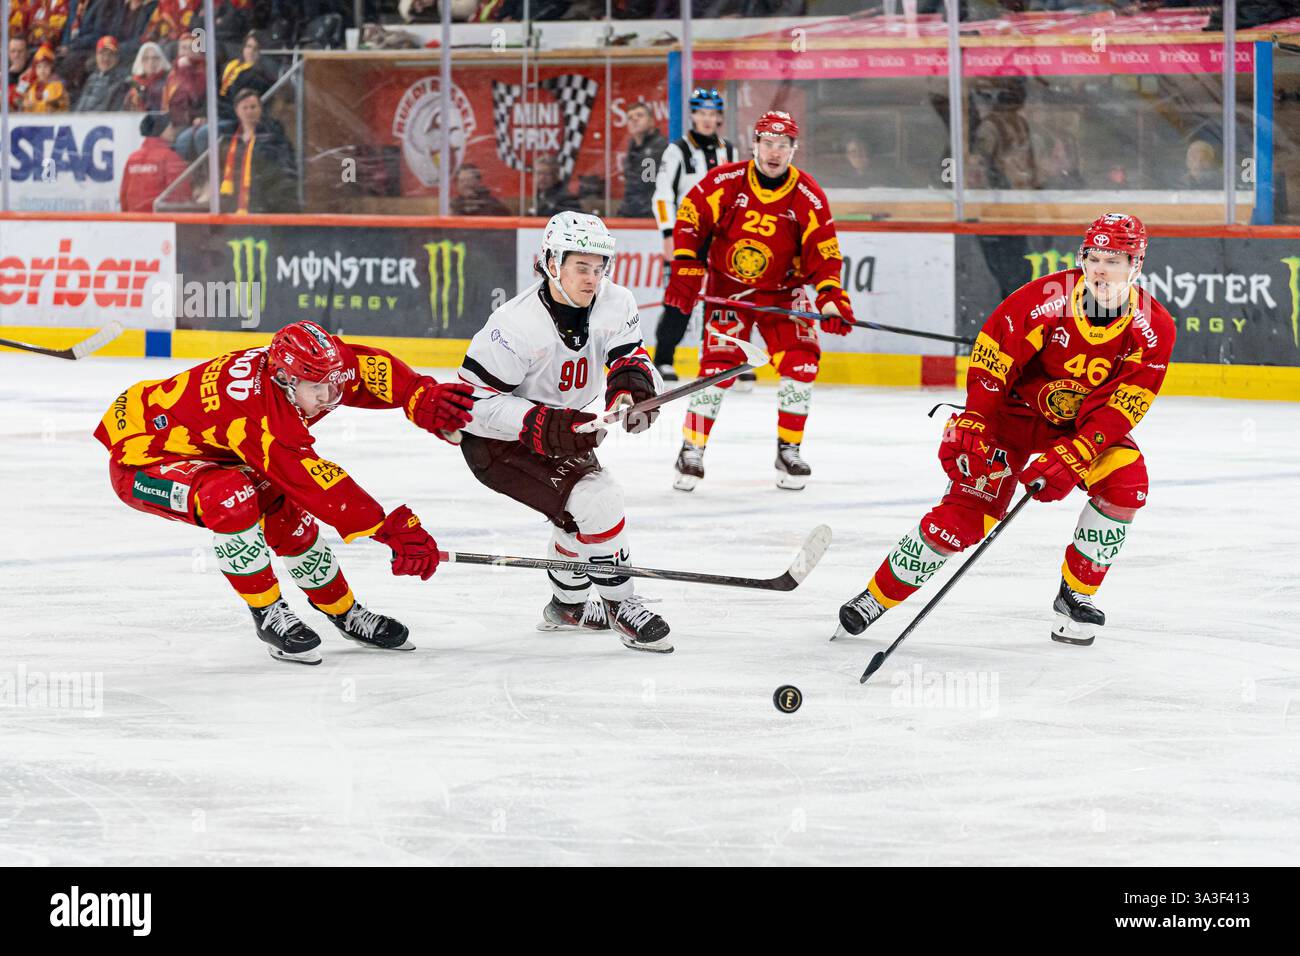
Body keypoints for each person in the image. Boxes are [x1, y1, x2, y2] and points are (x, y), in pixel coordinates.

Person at [835, 214, 1177, 647]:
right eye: (1093, 257)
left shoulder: (1154, 327)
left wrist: (1075, 454)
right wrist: (974, 419)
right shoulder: (1044, 300)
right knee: (961, 520)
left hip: (1076, 429)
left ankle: (1075, 598)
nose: (1100, 270)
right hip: (1009, 421)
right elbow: (993, 361)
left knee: (1127, 485)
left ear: (1137, 263)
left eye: (1114, 260)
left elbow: (1124, 405)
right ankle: (875, 597)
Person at [93, 320, 476, 664]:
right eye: (317, 390)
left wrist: (416, 394)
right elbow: (318, 485)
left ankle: (344, 611)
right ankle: (268, 612)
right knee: (231, 496)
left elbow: (365, 368)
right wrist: (387, 528)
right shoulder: (261, 416)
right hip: (144, 462)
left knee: (283, 508)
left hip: (216, 450)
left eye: (333, 385)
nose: (328, 398)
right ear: (284, 381)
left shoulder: (314, 368)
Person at [456, 212, 673, 653]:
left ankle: (568, 607)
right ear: (551, 263)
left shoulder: (617, 301)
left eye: (599, 268)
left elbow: (630, 357)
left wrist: (631, 394)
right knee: (598, 498)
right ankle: (620, 605)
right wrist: (543, 422)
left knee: (577, 518)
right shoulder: (513, 327)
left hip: (563, 429)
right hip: (497, 444)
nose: (593, 279)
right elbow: (471, 407)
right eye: (581, 267)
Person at [664, 109, 854, 492]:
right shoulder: (726, 181)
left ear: (793, 149)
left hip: (784, 293)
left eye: (783, 145)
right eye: (767, 142)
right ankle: (691, 449)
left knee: (801, 364)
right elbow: (689, 218)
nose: (774, 151)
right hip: (729, 292)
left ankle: (789, 449)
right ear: (754, 144)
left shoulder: (808, 196)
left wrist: (832, 299)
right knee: (718, 369)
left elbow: (825, 254)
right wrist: (686, 267)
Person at [650, 87, 738, 381]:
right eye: (702, 113)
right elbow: (663, 195)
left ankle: (716, 357)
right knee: (681, 295)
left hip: (723, 238)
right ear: (693, 115)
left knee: (723, 298)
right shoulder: (678, 150)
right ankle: (664, 358)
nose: (707, 119)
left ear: (719, 117)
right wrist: (667, 233)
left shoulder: (730, 150)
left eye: (712, 114)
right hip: (688, 235)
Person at [218, 87, 299, 213]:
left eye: (253, 107)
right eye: (245, 108)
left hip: (267, 198)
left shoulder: (272, 134)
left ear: (260, 109)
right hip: (236, 200)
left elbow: (283, 165)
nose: (249, 111)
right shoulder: (230, 136)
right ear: (237, 111)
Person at [119, 112, 189, 211]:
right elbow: (180, 195)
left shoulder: (133, 158)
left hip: (135, 219)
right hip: (161, 220)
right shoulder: (169, 157)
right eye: (170, 127)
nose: (173, 131)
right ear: (161, 131)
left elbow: (124, 195)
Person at [615, 101, 667, 219]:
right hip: (630, 213)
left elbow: (648, 186)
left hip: (651, 216)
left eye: (640, 115)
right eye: (630, 117)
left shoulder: (662, 146)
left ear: (651, 121)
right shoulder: (632, 146)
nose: (634, 119)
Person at [75, 35, 131, 112]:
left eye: (110, 54)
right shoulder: (91, 78)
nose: (106, 58)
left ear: (117, 58)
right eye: (102, 54)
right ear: (96, 56)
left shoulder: (122, 82)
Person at [528, 153, 582, 218]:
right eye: (538, 173)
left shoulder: (566, 199)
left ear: (556, 175)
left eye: (546, 174)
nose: (541, 178)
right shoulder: (537, 195)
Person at [21, 44, 70, 113]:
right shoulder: (30, 84)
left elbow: (64, 105)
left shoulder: (58, 85)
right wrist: (25, 104)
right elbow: (19, 99)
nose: (42, 70)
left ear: (51, 67)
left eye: (46, 66)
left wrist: (52, 105)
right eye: (39, 67)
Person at [123, 41, 170, 112]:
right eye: (146, 58)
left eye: (155, 58)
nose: (151, 62)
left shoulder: (169, 81)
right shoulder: (132, 84)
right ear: (140, 61)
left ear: (161, 60)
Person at [6, 35, 33, 111]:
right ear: (8, 53)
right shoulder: (2, 73)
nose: (16, 55)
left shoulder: (34, 73)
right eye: (13, 51)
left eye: (20, 51)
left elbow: (19, 95)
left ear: (27, 53)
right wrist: (11, 73)